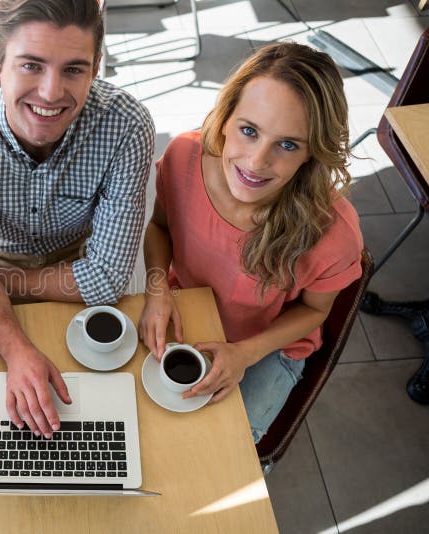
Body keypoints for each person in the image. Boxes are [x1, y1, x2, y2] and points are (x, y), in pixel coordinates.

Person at [0, 0, 155, 439]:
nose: (50, 93)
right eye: (31, 65)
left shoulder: (127, 126)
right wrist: (15, 347)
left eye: (73, 70)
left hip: (70, 266)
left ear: (96, 67)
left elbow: (106, 279)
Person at [138, 42, 364, 443]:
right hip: (186, 307)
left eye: (288, 144)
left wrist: (246, 353)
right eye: (249, 131)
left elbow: (314, 312)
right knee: (144, 427)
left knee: (223, 451)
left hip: (269, 346)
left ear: (312, 154)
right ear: (224, 119)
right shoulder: (183, 157)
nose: (257, 162)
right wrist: (157, 288)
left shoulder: (335, 229)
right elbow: (159, 229)